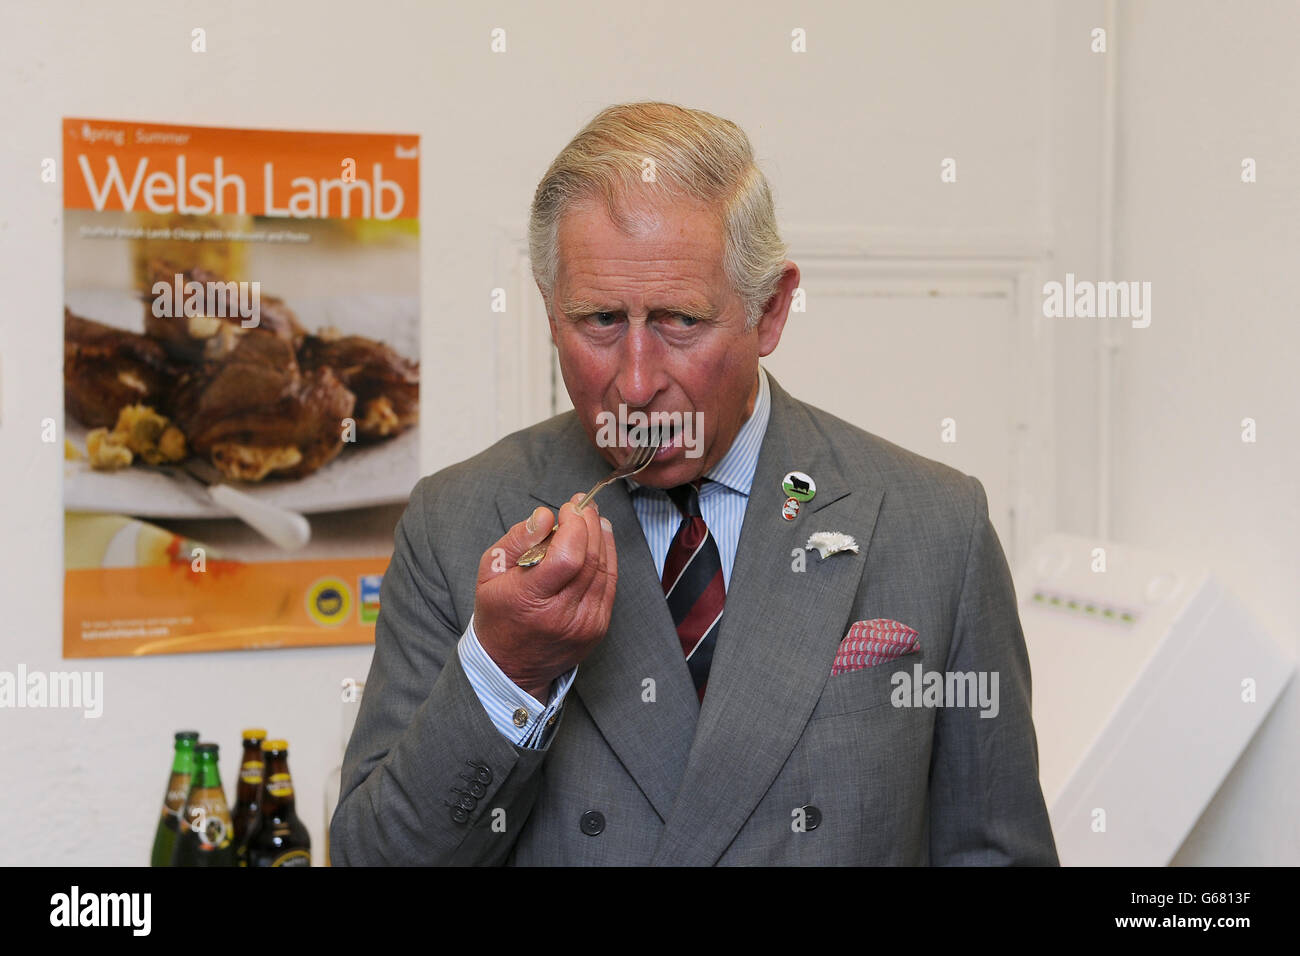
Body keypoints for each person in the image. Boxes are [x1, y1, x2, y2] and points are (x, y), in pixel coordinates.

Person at [330, 102, 1059, 865]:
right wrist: (508, 669)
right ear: (549, 313)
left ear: (769, 310)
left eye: (680, 320)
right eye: (600, 321)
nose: (637, 383)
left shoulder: (937, 525)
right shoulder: (456, 522)